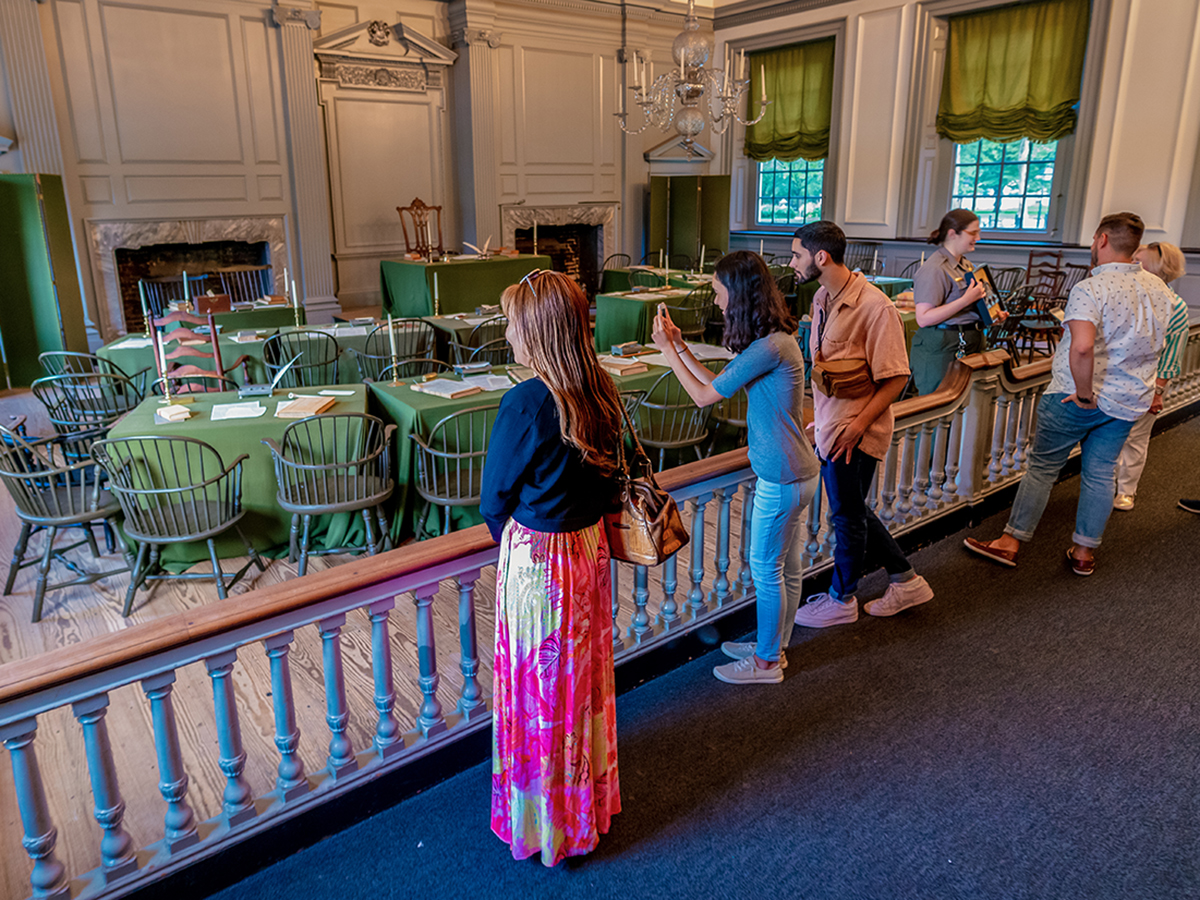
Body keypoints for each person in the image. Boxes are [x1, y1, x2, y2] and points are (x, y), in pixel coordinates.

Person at [480, 269, 624, 866]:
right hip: (588, 552)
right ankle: (583, 807)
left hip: (540, 560)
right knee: (580, 687)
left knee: (540, 695)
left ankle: (546, 826)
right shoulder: (601, 388)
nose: (509, 332)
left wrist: (522, 543)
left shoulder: (526, 401)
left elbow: (494, 502)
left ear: (536, 331)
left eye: (514, 322)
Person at [963, 212, 1176, 576]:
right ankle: (1083, 552)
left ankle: (1010, 543)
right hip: (1128, 399)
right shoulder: (1159, 289)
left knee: (1043, 468)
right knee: (1100, 473)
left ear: (1102, 240)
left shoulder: (1090, 288)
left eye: (1095, 240)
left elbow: (1081, 348)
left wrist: (1083, 393)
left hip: (1077, 396)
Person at [649, 250, 820, 684]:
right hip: (797, 471)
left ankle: (766, 663)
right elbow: (715, 381)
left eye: (719, 292)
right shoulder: (773, 343)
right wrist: (681, 346)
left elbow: (704, 397)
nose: (717, 301)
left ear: (739, 294)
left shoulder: (769, 347)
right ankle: (773, 646)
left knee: (767, 570)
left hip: (782, 477)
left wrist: (668, 350)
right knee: (788, 567)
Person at [789, 221, 935, 627]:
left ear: (821, 257)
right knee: (851, 509)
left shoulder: (875, 307)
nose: (792, 262)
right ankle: (906, 580)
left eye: (797, 254)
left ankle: (842, 598)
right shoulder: (821, 297)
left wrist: (856, 427)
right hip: (832, 424)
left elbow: (896, 378)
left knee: (846, 515)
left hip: (857, 430)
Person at [1112, 242, 1189, 510]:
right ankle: (1102, 486)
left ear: (1157, 268)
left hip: (1149, 382)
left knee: (1136, 438)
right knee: (1108, 436)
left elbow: (1172, 355)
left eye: (1138, 261)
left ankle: (1126, 491)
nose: (1132, 265)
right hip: (1115, 378)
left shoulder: (1175, 306)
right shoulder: (1124, 294)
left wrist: (1157, 391)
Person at [909, 209, 989, 394]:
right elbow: (924, 318)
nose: (978, 237)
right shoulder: (934, 269)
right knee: (938, 410)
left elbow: (968, 309)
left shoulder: (966, 265)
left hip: (969, 342)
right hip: (942, 349)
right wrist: (966, 300)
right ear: (953, 234)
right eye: (973, 233)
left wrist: (990, 315)